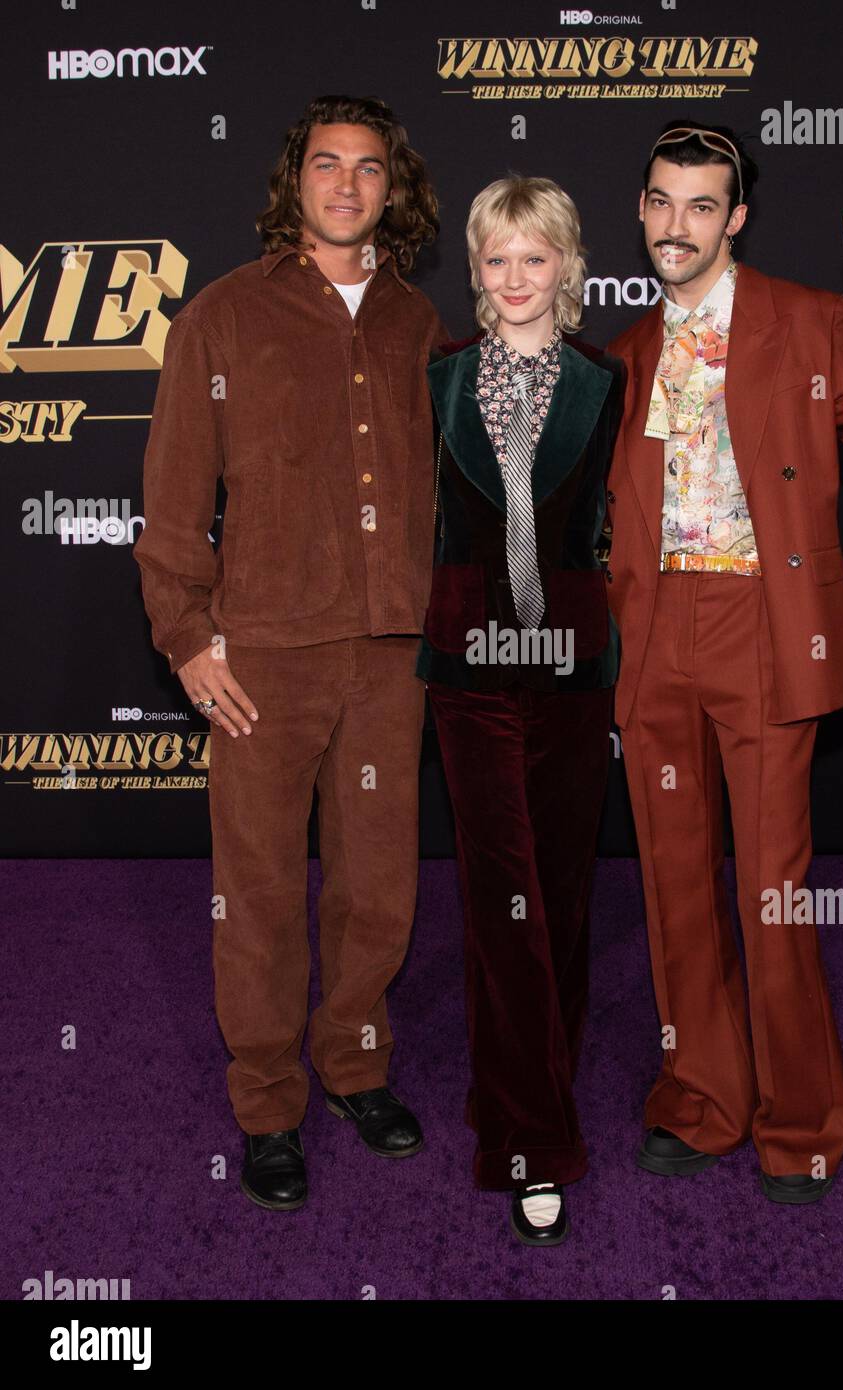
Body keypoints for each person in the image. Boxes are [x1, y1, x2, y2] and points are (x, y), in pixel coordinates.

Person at [605, 120, 843, 1204]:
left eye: (701, 204)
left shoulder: (804, 319)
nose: (677, 224)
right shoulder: (623, 353)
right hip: (655, 639)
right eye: (660, 201)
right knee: (671, 880)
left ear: (735, 217)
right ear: (641, 210)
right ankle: (701, 1095)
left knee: (770, 893)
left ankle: (799, 1122)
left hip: (763, 627)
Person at [134, 95, 451, 1210]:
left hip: (388, 657)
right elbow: (173, 507)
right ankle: (268, 1102)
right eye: (328, 165)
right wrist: (186, 636)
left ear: (392, 190)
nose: (348, 185)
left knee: (377, 888)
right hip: (262, 658)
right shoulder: (220, 318)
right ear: (296, 181)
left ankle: (356, 1064)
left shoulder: (422, 328)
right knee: (261, 891)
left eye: (370, 168)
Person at [419, 175, 626, 1244]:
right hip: (470, 672)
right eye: (494, 258)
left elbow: (616, 530)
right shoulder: (439, 375)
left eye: (532, 257)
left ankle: (528, 1082)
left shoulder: (607, 379)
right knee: (501, 902)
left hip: (571, 666)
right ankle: (529, 1140)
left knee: (562, 900)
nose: (512, 278)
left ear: (566, 266)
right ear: (477, 267)